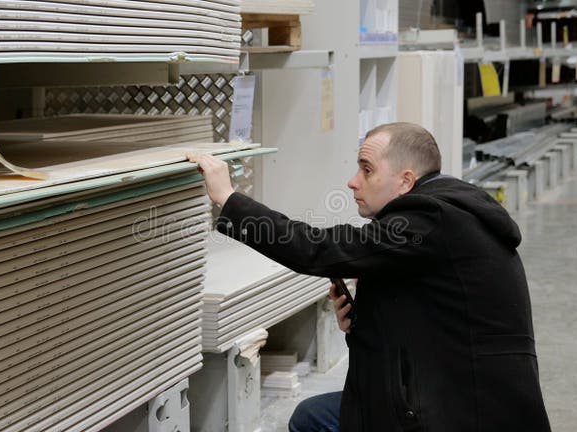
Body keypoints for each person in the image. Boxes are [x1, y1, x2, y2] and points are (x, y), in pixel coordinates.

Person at [187, 122, 551, 432]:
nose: (352, 181)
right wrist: (361, 324)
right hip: (460, 391)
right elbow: (433, 323)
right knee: (314, 414)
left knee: (313, 420)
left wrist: (229, 198)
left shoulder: (430, 218)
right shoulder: (443, 214)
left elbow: (317, 248)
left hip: (466, 413)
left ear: (406, 180)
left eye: (366, 169)